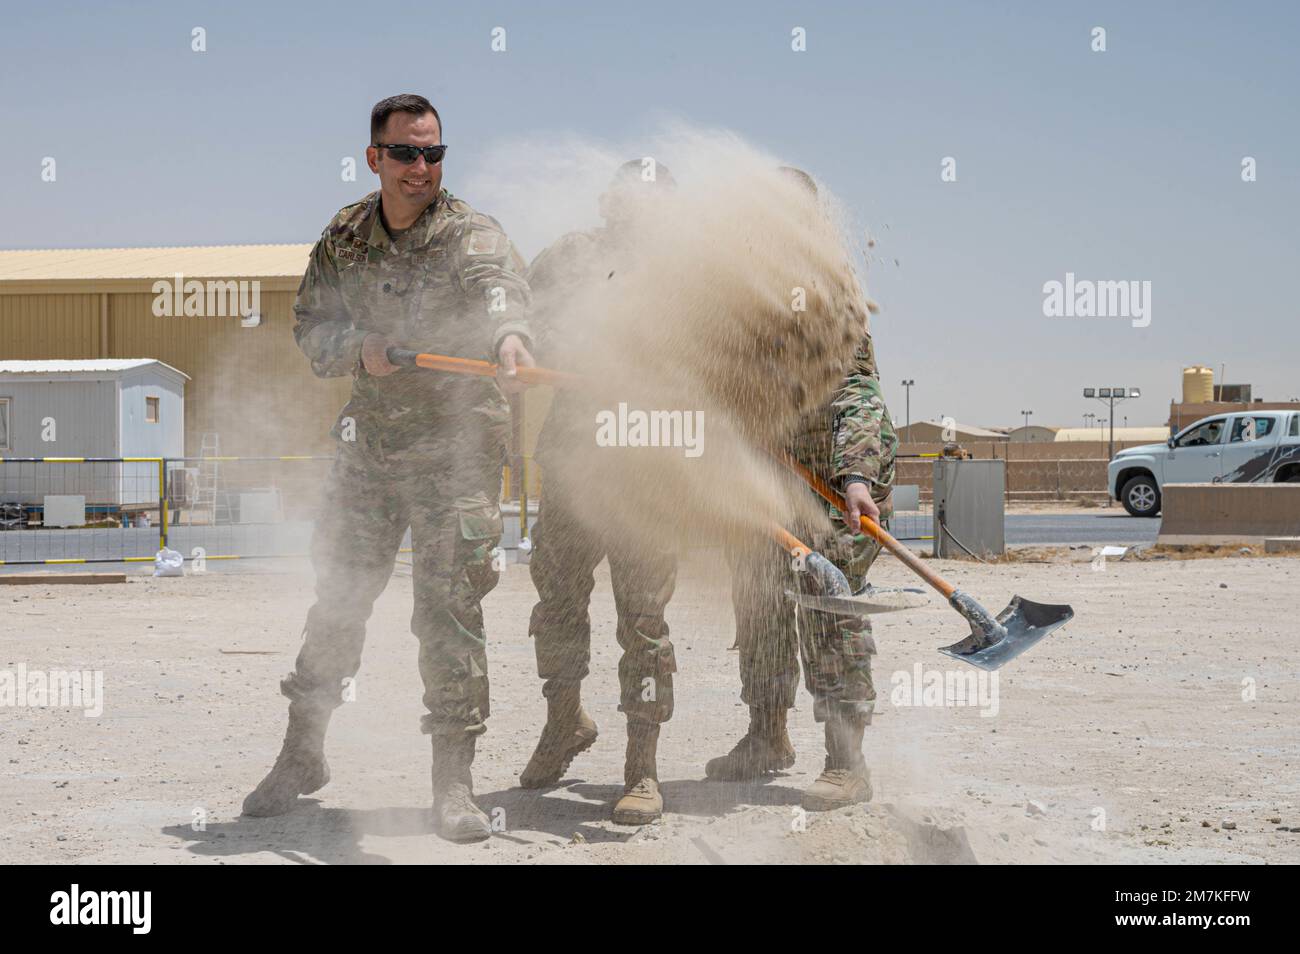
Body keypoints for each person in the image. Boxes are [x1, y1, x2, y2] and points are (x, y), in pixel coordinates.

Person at [242, 94, 534, 843]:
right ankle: (301, 755)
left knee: (447, 612)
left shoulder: (469, 233)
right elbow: (311, 327)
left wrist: (508, 340)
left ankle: (454, 786)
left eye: (433, 154)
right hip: (370, 449)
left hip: (458, 452)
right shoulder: (344, 237)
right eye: (405, 153)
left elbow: (501, 288)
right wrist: (359, 349)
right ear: (374, 158)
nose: (421, 168)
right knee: (338, 600)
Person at [706, 168, 898, 811]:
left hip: (835, 479)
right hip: (762, 475)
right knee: (758, 602)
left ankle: (847, 760)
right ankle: (767, 735)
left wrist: (856, 476)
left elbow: (859, 392)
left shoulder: (830, 289)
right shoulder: (730, 286)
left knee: (830, 605)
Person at [519, 160, 681, 825]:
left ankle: (641, 767)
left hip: (648, 467)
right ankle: (565, 723)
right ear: (607, 199)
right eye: (625, 197)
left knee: (643, 623)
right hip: (570, 455)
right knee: (557, 601)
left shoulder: (690, 269)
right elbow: (520, 325)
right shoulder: (568, 257)